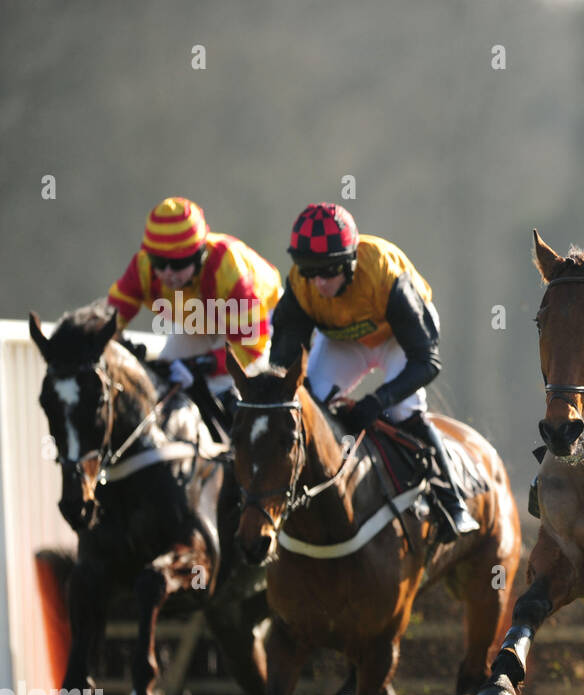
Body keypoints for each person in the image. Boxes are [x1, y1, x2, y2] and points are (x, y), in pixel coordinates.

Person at [268, 203, 477, 542]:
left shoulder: (385, 272)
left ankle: (451, 502)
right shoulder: (299, 286)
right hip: (342, 340)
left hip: (399, 337)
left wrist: (377, 401)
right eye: (310, 271)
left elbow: (427, 362)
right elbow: (283, 364)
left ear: (350, 262)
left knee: (403, 411)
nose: (319, 282)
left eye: (330, 270)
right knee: (306, 408)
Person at [105, 196, 281, 435]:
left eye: (178, 264)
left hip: (252, 325)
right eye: (159, 262)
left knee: (222, 387)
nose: (168, 273)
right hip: (198, 319)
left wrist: (203, 363)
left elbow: (249, 346)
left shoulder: (229, 269)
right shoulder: (143, 267)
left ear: (199, 254)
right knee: (163, 386)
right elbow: (107, 320)